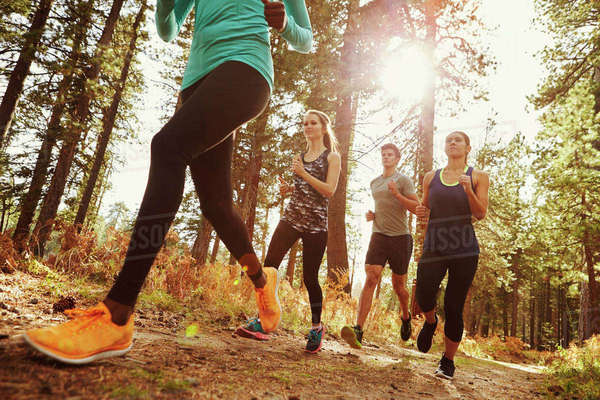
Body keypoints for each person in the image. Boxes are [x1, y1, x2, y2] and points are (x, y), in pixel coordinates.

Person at [24, 0, 313, 364]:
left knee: (167, 147)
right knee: (216, 205)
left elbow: (306, 40)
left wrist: (286, 23)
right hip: (196, 82)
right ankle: (262, 281)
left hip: (246, 69)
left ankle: (117, 313)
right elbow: (168, 28)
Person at [236, 110, 341, 354]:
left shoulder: (332, 157)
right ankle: (263, 320)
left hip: (316, 225)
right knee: (270, 267)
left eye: (313, 123)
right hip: (292, 218)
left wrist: (303, 174)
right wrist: (290, 187)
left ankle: (316, 327)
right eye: (304, 123)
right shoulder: (300, 156)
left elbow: (329, 190)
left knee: (310, 278)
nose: (308, 126)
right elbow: (304, 187)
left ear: (324, 128)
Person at [415, 131, 489, 379]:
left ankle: (447, 361)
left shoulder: (478, 176)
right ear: (444, 147)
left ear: (468, 147)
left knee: (454, 306)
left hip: (464, 249)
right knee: (424, 294)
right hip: (435, 246)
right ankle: (430, 320)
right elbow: (425, 207)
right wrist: (420, 209)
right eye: (449, 140)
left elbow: (481, 214)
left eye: (458, 140)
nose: (453, 143)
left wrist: (468, 191)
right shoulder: (431, 177)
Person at [341, 143, 419, 349]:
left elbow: (416, 207)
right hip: (379, 235)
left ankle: (405, 316)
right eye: (383, 154)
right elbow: (384, 207)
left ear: (397, 159)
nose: (386, 157)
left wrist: (397, 194)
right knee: (371, 276)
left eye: (390, 155)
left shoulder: (403, 180)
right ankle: (358, 328)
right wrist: (374, 215)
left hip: (400, 238)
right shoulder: (375, 182)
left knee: (399, 287)